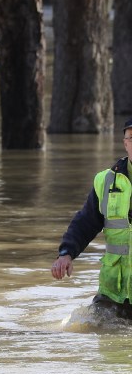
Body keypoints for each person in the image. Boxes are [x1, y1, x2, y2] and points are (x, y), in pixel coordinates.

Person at [52, 117, 132, 319]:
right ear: (125, 143)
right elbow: (86, 222)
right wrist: (66, 253)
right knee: (93, 331)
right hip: (112, 291)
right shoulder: (105, 181)